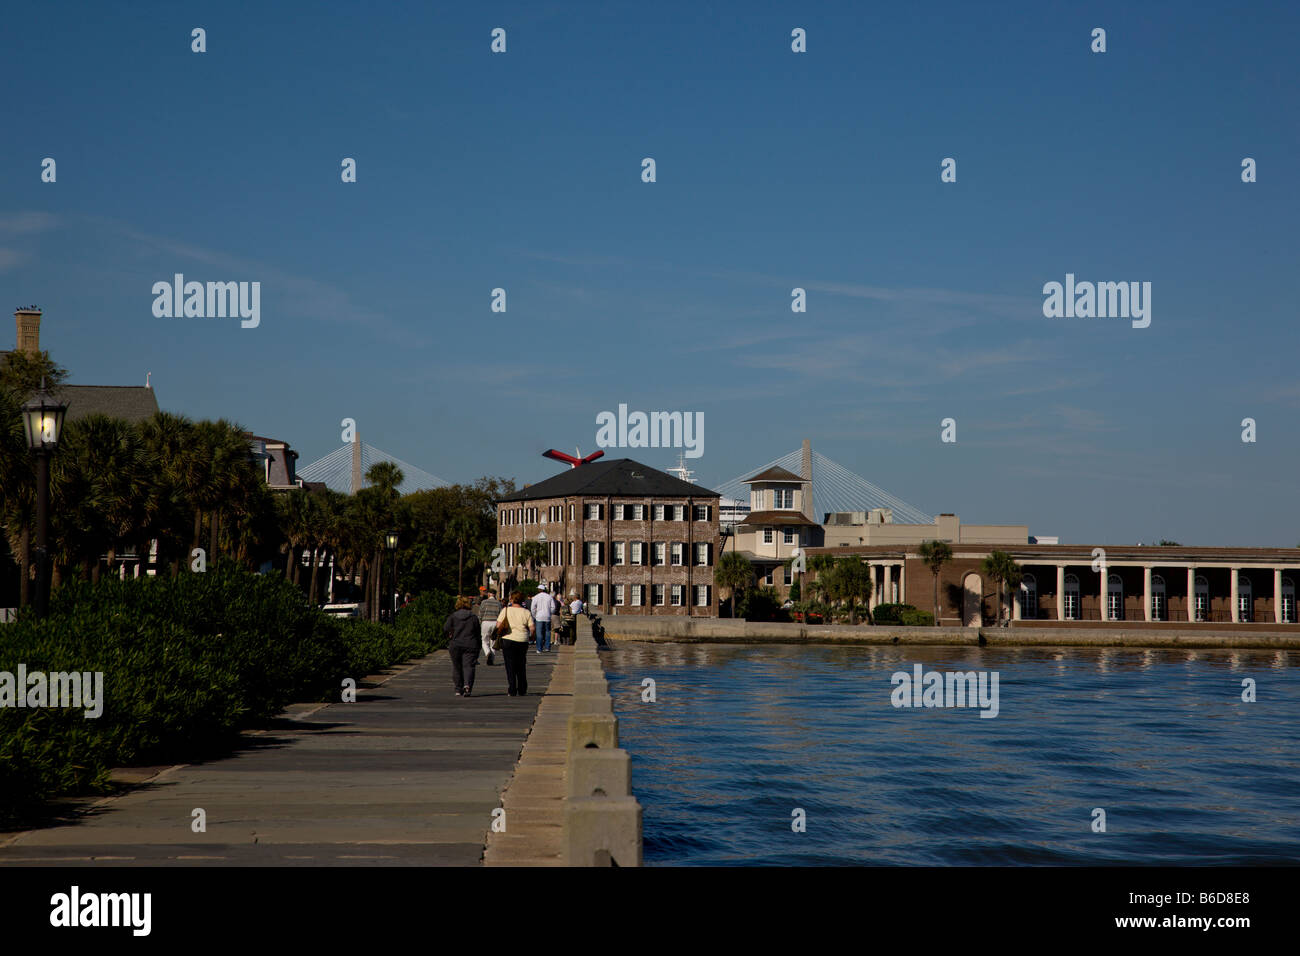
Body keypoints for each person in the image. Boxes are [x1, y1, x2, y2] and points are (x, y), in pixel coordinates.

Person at [495, 591, 535, 696]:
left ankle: (512, 689)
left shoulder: (506, 610)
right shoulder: (526, 612)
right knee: (521, 664)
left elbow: (498, 625)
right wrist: (531, 636)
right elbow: (532, 628)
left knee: (510, 665)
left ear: (512, 599)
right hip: (522, 640)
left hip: (508, 639)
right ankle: (522, 688)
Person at [444, 596, 482, 697]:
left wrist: (451, 633)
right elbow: (478, 632)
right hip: (471, 644)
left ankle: (458, 688)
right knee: (469, 666)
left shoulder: (453, 616)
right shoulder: (473, 617)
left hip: (456, 644)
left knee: (457, 667)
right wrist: (479, 644)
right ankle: (467, 686)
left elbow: (446, 628)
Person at [530, 584, 558, 653]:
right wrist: (550, 613)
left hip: (539, 616)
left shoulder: (536, 597)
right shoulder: (549, 597)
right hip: (547, 616)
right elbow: (553, 607)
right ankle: (547, 647)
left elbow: (532, 608)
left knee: (539, 633)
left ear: (539, 590)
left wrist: (534, 615)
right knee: (547, 632)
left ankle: (539, 648)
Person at [478, 590, 502, 665]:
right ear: (495, 595)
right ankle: (492, 658)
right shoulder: (498, 603)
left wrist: (480, 622)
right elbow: (500, 614)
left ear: (489, 594)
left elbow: (480, 614)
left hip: (485, 622)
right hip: (495, 622)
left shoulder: (484, 602)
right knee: (493, 642)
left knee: (484, 640)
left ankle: (488, 653)